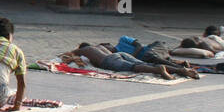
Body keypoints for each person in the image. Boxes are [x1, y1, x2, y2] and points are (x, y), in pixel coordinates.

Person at [61, 42, 197, 80]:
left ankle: (158, 70)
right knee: (144, 64)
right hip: (120, 54)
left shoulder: (84, 50)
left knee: (134, 67)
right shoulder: (100, 46)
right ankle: (181, 70)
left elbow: (67, 55)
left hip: (109, 60)